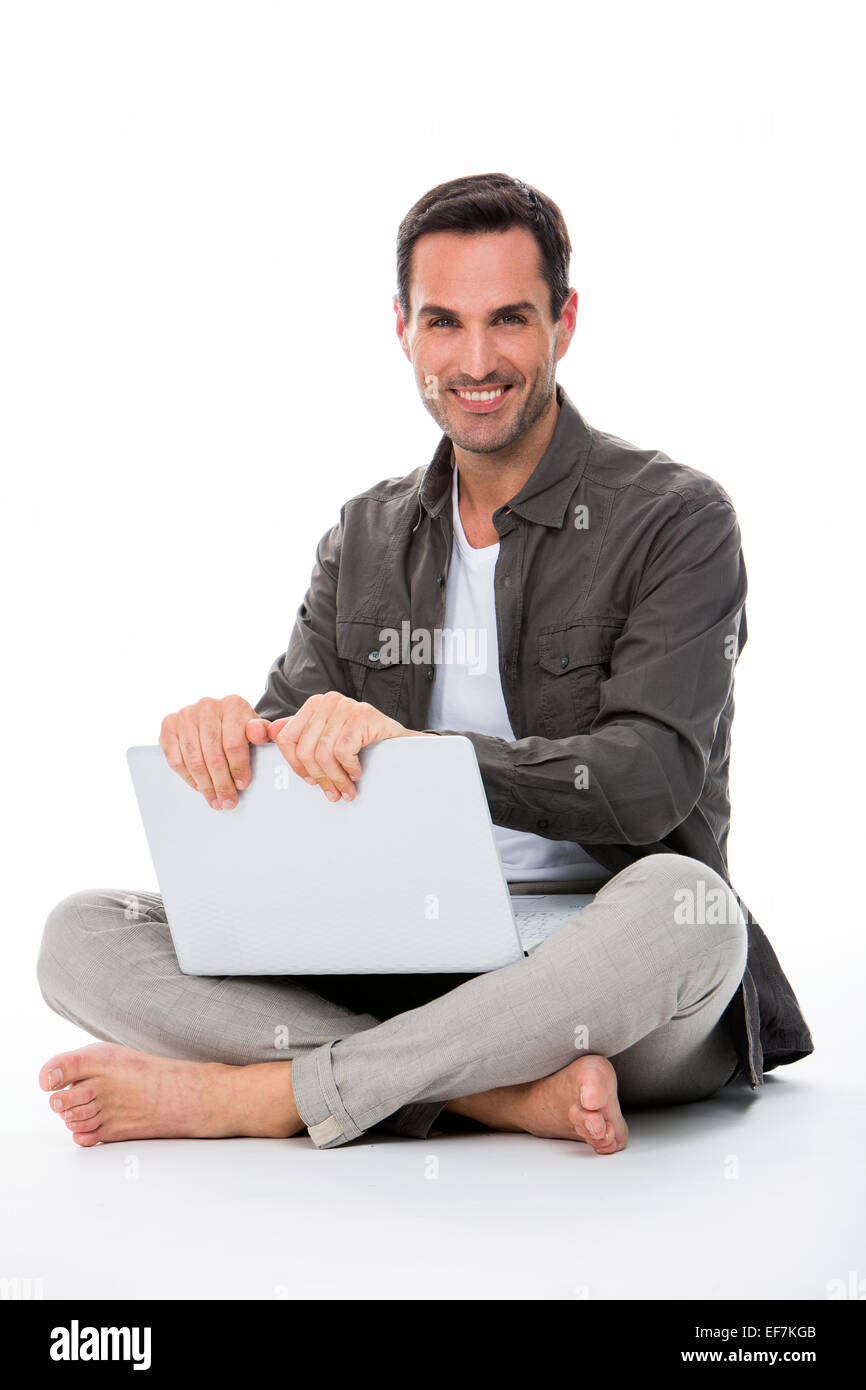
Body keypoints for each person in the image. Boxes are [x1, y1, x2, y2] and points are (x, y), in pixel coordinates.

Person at [36, 172, 813, 1153]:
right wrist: (231, 740)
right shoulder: (365, 534)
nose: (476, 359)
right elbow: (289, 754)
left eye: (509, 320)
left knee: (691, 914)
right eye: (443, 322)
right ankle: (489, 1094)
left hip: (599, 963)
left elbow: (651, 782)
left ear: (563, 323)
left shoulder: (675, 519)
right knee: (80, 936)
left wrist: (423, 753)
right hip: (397, 950)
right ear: (401, 328)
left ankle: (266, 1095)